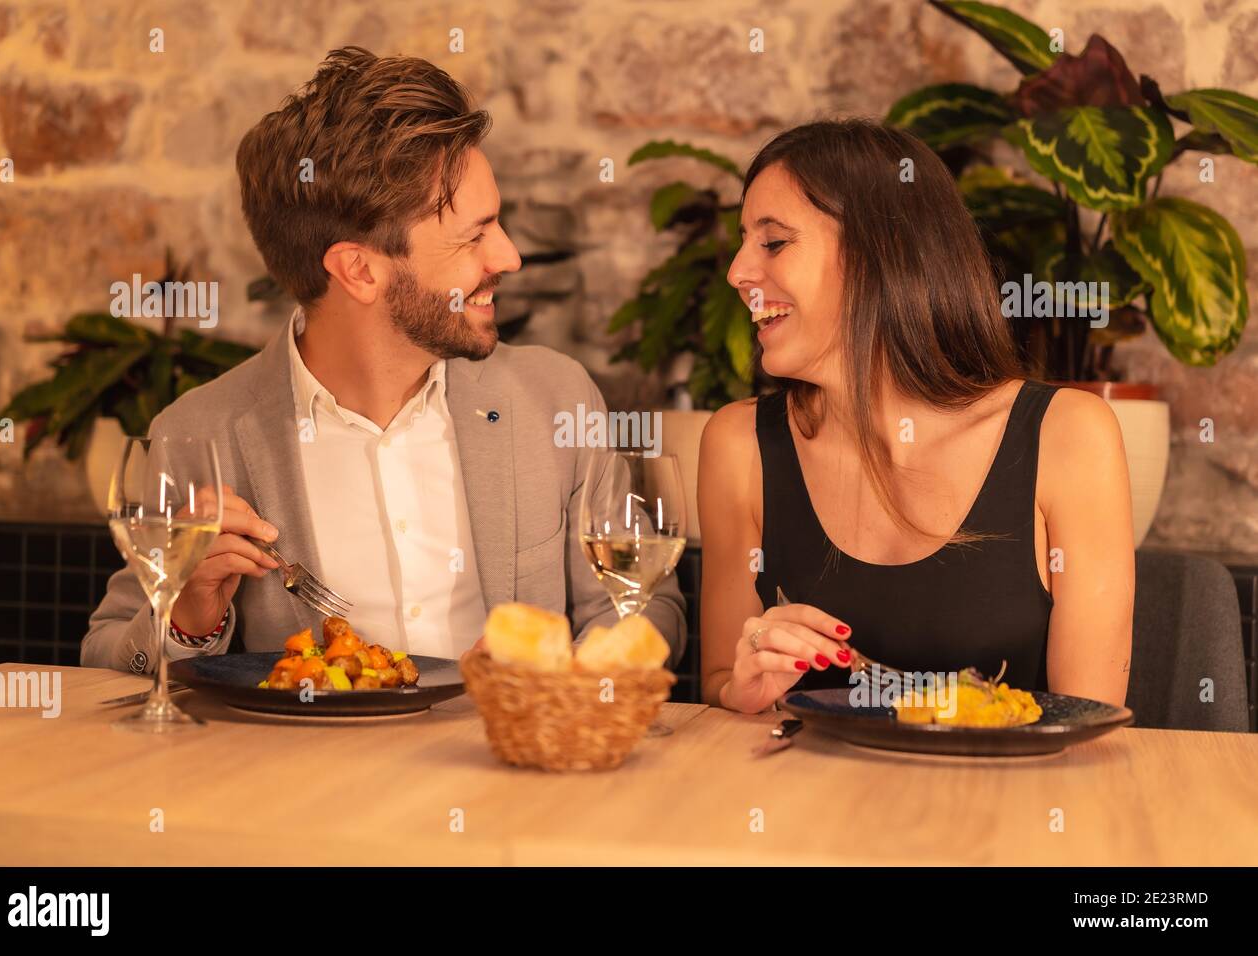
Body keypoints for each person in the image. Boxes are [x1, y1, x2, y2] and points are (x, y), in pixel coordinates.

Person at [83, 48, 685, 674]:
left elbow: (647, 606)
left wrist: (560, 673)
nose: (509, 258)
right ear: (359, 270)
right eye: (474, 236)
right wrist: (187, 618)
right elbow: (107, 661)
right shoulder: (199, 435)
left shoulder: (555, 399)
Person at [699, 119, 1134, 715]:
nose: (737, 272)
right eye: (744, 241)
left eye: (773, 242)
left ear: (879, 255)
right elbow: (719, 682)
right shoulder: (739, 444)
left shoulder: (1069, 435)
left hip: (1009, 779)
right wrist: (743, 687)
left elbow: (1086, 721)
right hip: (808, 780)